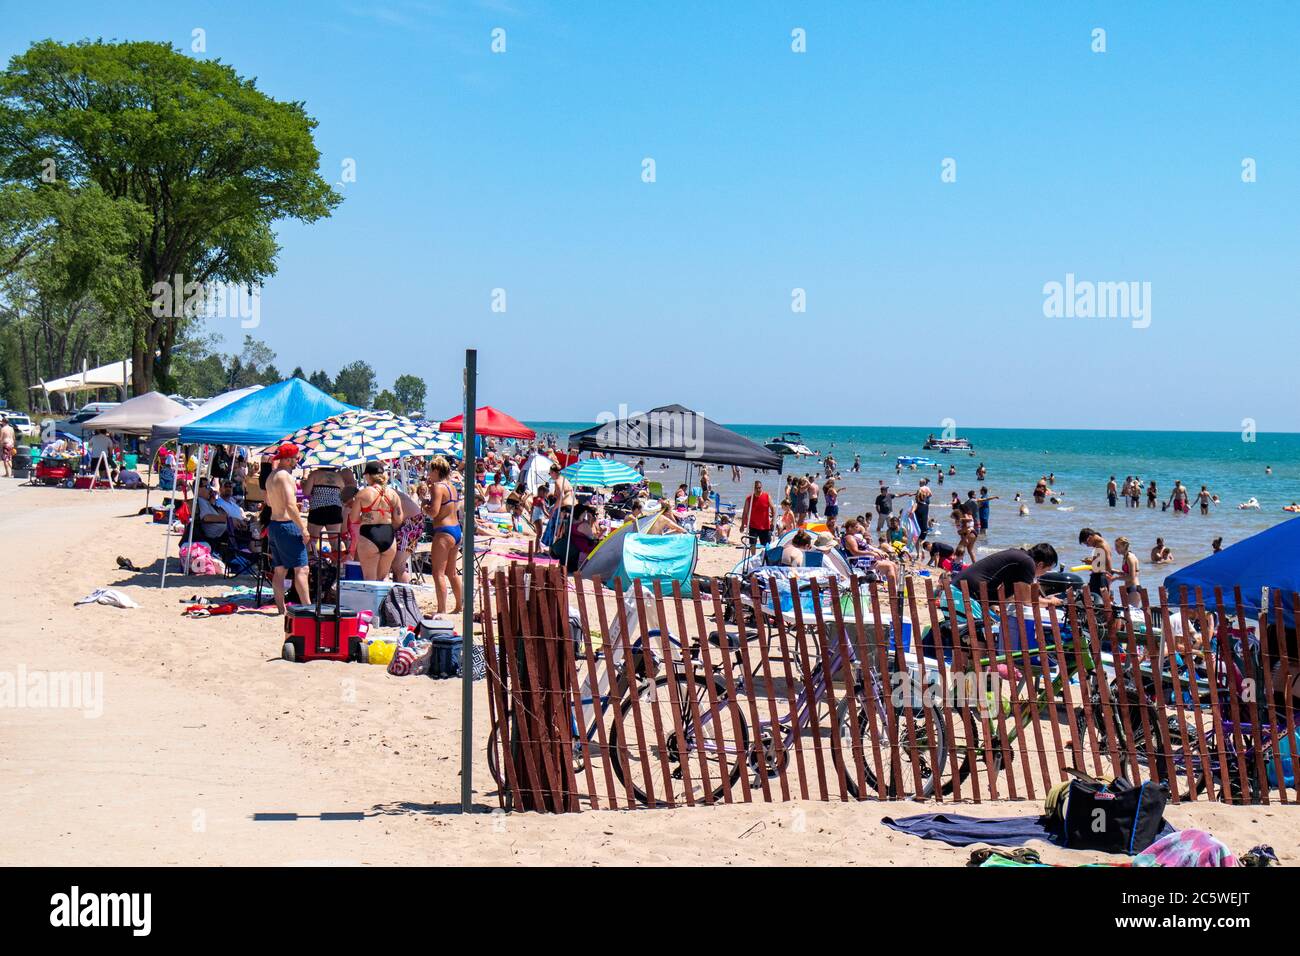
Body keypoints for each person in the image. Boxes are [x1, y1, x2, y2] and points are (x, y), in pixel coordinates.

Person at [264, 443, 311, 614]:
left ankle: (280, 609)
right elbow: (291, 506)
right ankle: (308, 608)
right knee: (302, 568)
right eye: (296, 458)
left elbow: (268, 501)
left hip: (274, 525)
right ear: (288, 459)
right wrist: (303, 529)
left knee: (280, 570)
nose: (297, 461)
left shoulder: (272, 476)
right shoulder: (285, 476)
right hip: (286, 526)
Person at [951, 543, 1062, 606]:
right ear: (1040, 564)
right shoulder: (1027, 563)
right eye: (1046, 570)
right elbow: (1027, 600)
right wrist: (1051, 602)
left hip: (955, 592)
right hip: (964, 597)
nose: (1043, 574)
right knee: (983, 642)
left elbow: (1013, 596)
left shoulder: (1021, 557)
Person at [349, 462, 403, 582]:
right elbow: (398, 519)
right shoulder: (393, 494)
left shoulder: (364, 493)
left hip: (369, 535)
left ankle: (371, 602)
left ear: (368, 476)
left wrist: (366, 517)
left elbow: (353, 519)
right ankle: (384, 601)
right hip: (388, 535)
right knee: (384, 578)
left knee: (370, 579)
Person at [423, 456, 463, 614]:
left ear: (436, 470)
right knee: (452, 573)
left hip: (444, 532)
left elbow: (434, 512)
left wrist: (424, 504)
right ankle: (459, 607)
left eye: (430, 470)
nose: (428, 473)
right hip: (456, 530)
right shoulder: (451, 487)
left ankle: (441, 609)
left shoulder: (437, 487)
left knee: (437, 572)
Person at [303, 466, 346, 552]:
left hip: (317, 509)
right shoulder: (338, 476)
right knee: (335, 541)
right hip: (335, 509)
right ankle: (337, 563)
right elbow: (343, 493)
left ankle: (313, 561)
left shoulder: (314, 474)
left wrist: (303, 483)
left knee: (312, 540)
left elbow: (306, 492)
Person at [1078, 527, 1113, 596]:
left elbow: (1109, 564)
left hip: (1101, 578)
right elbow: (1101, 562)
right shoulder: (1098, 545)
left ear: (1090, 538)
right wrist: (1091, 561)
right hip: (1097, 576)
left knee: (1099, 601)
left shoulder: (1103, 545)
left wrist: (1108, 581)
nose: (1088, 546)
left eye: (1087, 544)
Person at [740, 480, 775, 547]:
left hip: (765, 526)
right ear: (754, 488)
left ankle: (765, 557)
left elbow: (773, 509)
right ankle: (753, 556)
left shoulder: (767, 496)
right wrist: (742, 525)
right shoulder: (749, 498)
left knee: (767, 545)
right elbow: (745, 513)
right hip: (753, 526)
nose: (758, 489)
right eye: (757, 488)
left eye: (760, 488)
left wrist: (773, 522)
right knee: (752, 544)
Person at [1112, 536, 1141, 607]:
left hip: (1134, 588)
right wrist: (1114, 571)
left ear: (1124, 546)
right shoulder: (1125, 557)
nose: (1116, 549)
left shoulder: (1130, 557)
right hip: (1129, 587)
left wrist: (1115, 578)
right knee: (1127, 613)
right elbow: (1126, 574)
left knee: (1131, 613)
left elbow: (1131, 577)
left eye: (1117, 546)